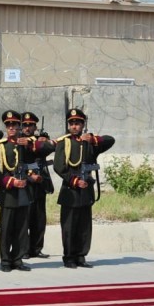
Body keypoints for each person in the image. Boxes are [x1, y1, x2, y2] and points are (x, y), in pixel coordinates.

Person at [52, 108, 115, 268]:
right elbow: (59, 167)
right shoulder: (63, 142)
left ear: (83, 124)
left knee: (84, 226)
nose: (74, 126)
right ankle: (69, 257)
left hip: (86, 190)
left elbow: (110, 140)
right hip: (70, 190)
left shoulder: (89, 142)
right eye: (72, 123)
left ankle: (81, 256)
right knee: (69, 226)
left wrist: (93, 139)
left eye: (78, 123)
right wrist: (74, 181)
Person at [0, 110, 42, 272]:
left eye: (14, 125)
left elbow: (46, 148)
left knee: (22, 227)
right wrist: (10, 181)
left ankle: (17, 259)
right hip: (8, 192)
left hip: (24, 191)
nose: (11, 128)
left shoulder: (27, 144)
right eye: (8, 125)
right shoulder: (0, 146)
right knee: (7, 228)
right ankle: (5, 260)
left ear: (20, 127)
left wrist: (31, 145)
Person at [19, 112, 54, 259]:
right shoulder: (19, 141)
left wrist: (43, 141)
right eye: (25, 125)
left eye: (30, 125)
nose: (27, 128)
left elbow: (51, 148)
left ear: (35, 127)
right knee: (25, 218)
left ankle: (37, 248)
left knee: (39, 218)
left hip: (39, 182)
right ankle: (24, 250)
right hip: (25, 181)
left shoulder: (39, 141)